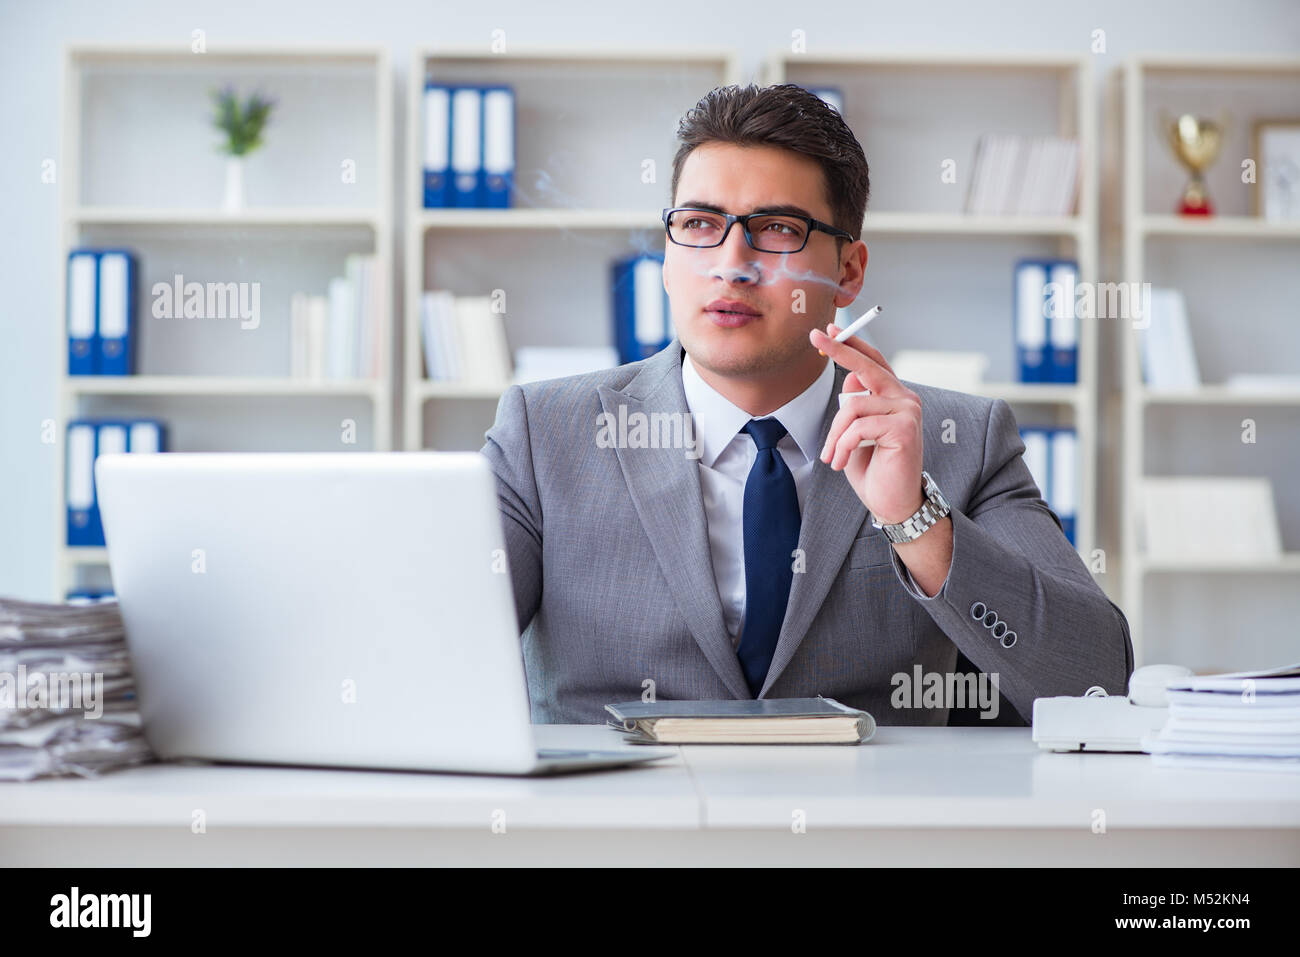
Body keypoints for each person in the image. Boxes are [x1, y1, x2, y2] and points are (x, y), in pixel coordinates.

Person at [481, 83, 1132, 725]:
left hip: (855, 825)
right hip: (624, 826)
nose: (731, 264)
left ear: (848, 272)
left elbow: (1096, 679)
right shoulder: (544, 437)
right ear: (667, 258)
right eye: (701, 224)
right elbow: (427, 656)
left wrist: (915, 519)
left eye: (777, 230)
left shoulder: (964, 438)